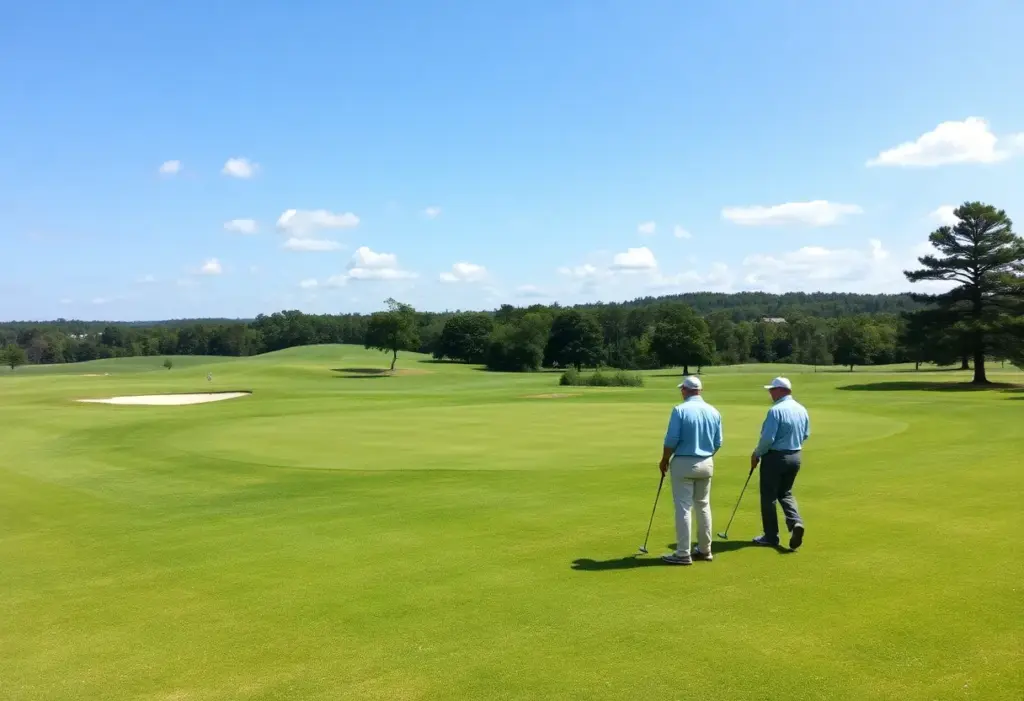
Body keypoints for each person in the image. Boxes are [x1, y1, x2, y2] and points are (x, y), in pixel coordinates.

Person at [658, 375, 723, 565]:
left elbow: (671, 439)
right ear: (700, 391)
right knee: (703, 505)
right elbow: (718, 442)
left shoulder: (680, 410)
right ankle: (705, 550)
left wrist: (664, 459)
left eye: (682, 390)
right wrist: (706, 455)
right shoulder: (714, 411)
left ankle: (683, 553)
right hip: (707, 462)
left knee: (684, 507)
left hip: (684, 463)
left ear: (685, 390)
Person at [750, 377, 810, 550]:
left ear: (782, 390)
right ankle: (795, 523)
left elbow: (768, 438)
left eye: (772, 389)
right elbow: (805, 434)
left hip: (775, 457)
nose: (770, 393)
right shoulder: (801, 409)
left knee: (768, 497)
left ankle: (770, 537)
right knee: (786, 493)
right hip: (795, 456)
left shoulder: (775, 411)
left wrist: (756, 453)